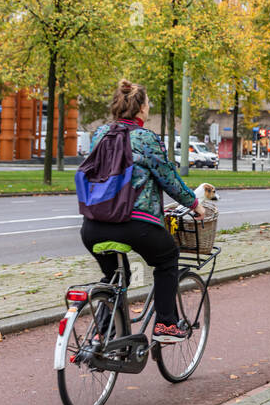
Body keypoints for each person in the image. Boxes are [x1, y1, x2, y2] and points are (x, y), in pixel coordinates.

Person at [81, 80, 201, 343]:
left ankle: (103, 334)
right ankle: (167, 325)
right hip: (135, 225)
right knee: (167, 257)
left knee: (113, 276)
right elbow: (169, 179)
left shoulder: (100, 134)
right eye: (148, 105)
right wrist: (195, 204)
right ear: (141, 109)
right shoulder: (146, 139)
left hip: (92, 226)